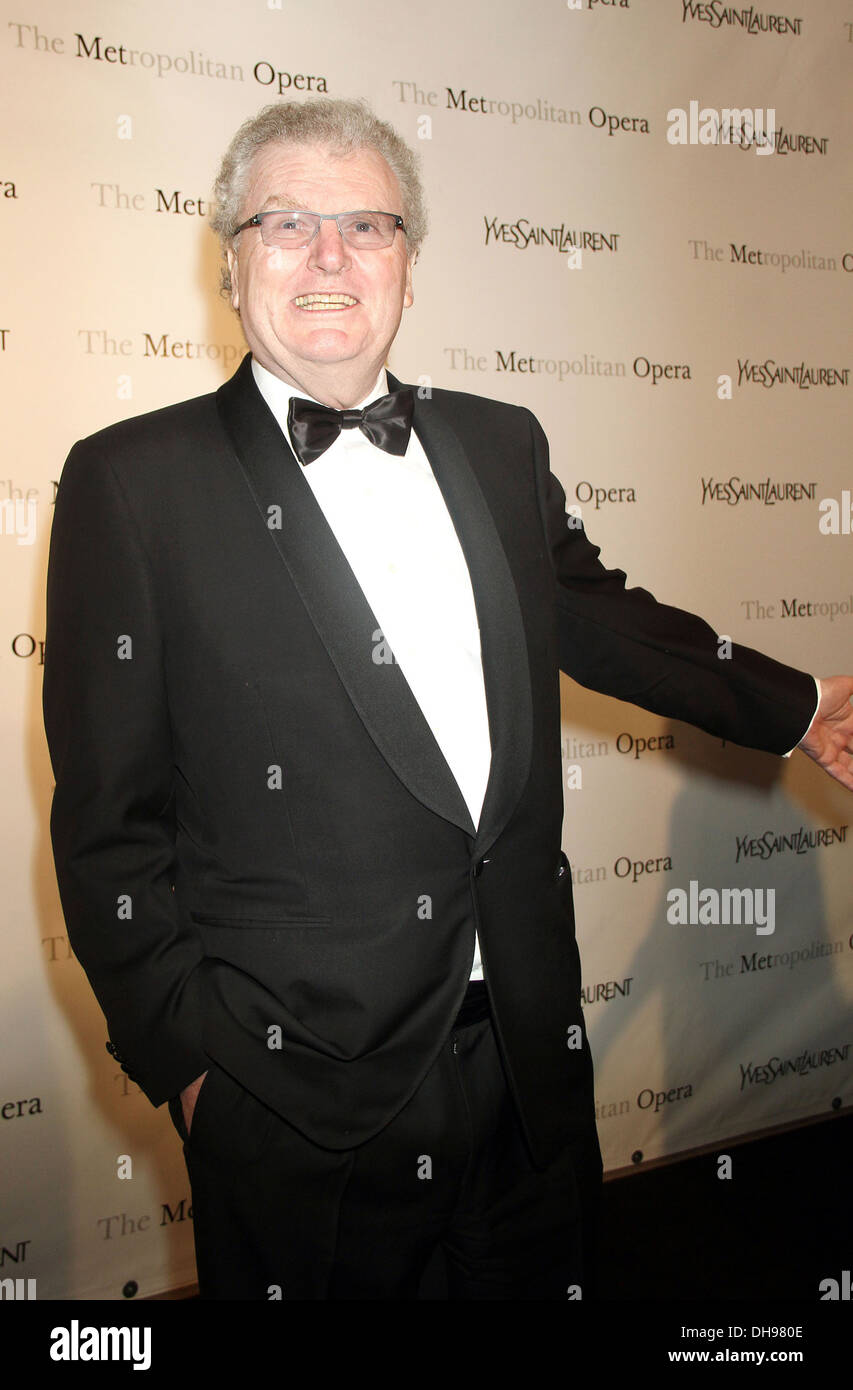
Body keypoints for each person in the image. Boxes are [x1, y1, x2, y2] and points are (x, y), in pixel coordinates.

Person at [43, 97, 853, 1301]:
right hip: (294, 1098)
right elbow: (108, 820)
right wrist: (196, 1071)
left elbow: (603, 616)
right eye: (288, 223)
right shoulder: (130, 482)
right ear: (230, 260)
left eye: (366, 225)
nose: (329, 255)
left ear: (408, 268)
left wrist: (798, 704)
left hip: (526, 1067)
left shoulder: (499, 442)